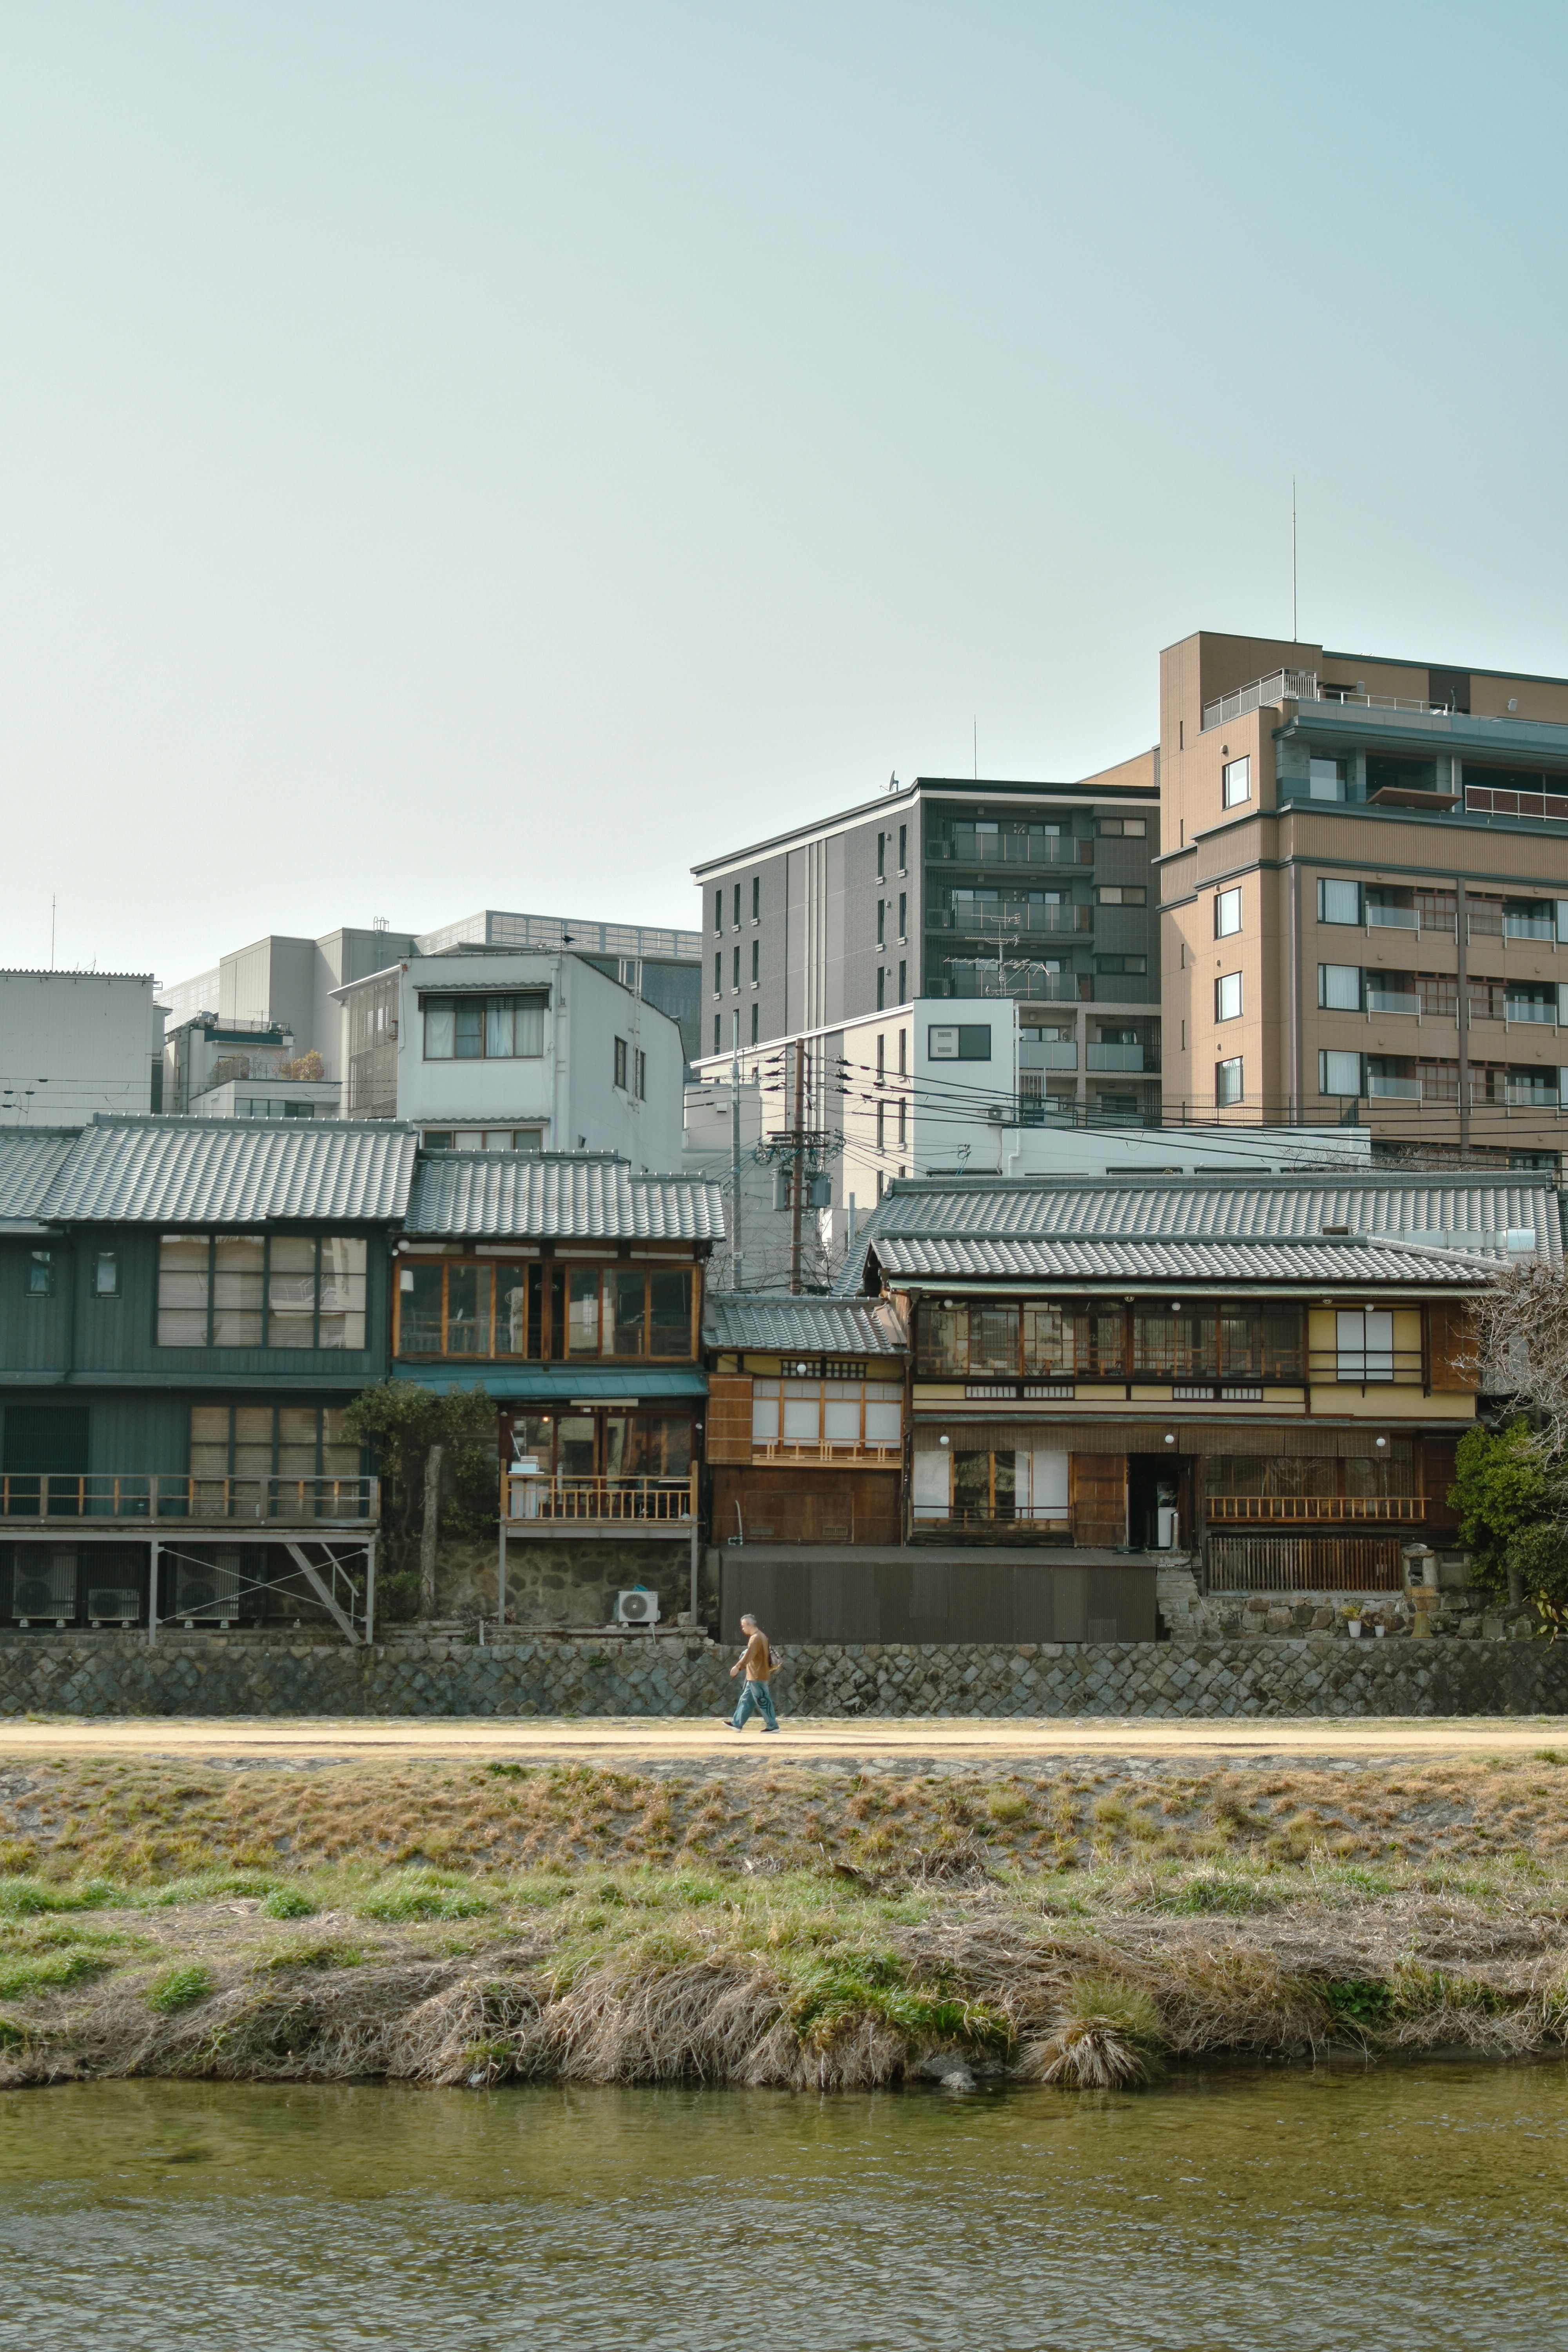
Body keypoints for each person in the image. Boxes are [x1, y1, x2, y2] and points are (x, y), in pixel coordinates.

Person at [728, 1612, 780, 1733]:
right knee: (746, 1700)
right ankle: (737, 1724)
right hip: (755, 1675)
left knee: (763, 1700)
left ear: (749, 1625)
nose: (743, 1629)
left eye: (744, 1626)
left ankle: (773, 1726)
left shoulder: (756, 1638)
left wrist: (738, 1667)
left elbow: (749, 1655)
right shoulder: (762, 1636)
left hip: (757, 1675)